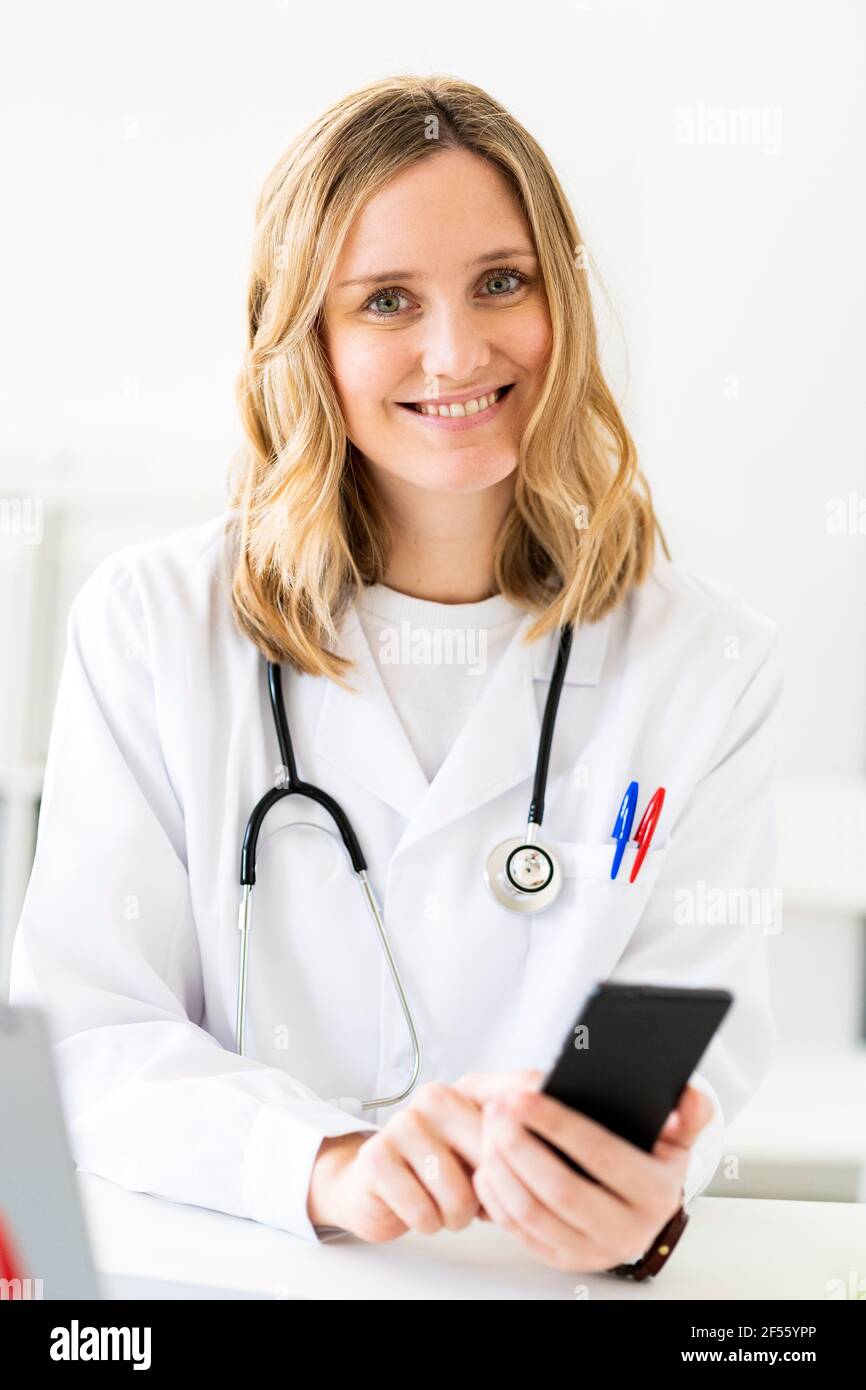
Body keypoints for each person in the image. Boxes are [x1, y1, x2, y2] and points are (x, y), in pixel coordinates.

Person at [10, 75, 783, 1276]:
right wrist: (326, 1165)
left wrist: (639, 1203)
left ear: (561, 300)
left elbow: (683, 1057)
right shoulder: (152, 626)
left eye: (500, 281)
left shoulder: (701, 664)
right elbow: (81, 1038)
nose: (455, 349)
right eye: (384, 299)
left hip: (536, 1286)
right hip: (223, 1275)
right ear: (305, 335)